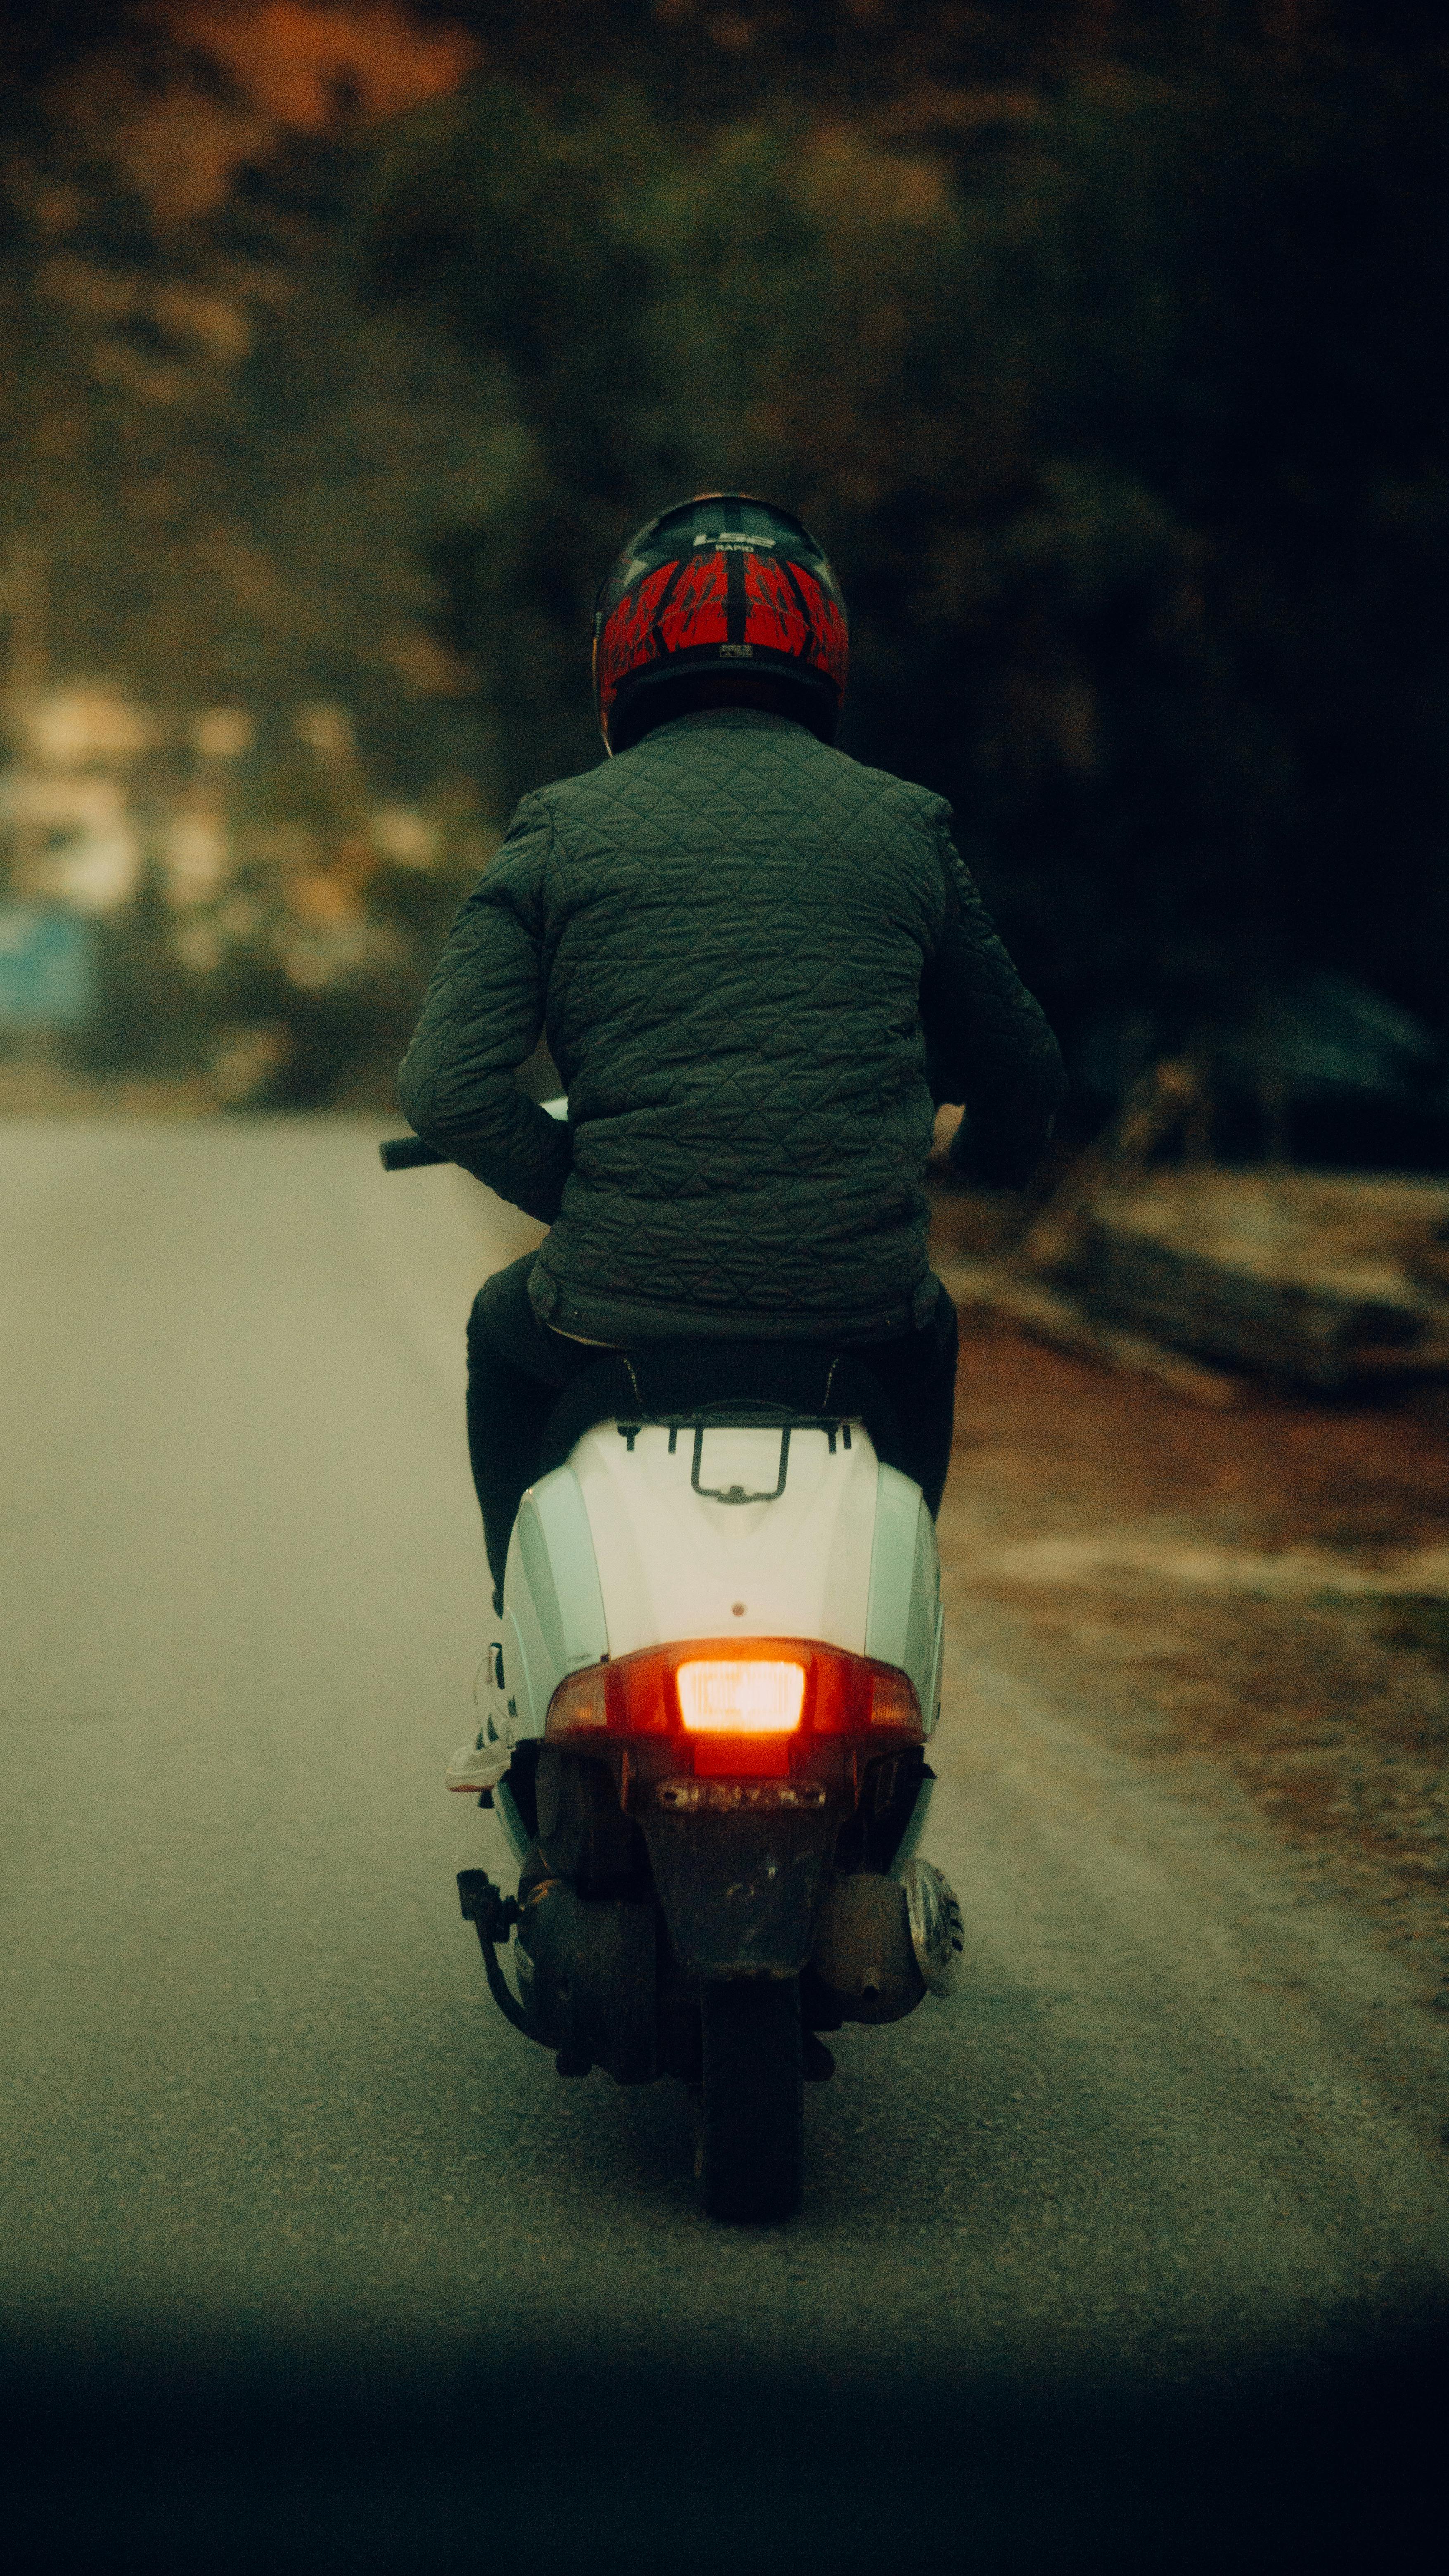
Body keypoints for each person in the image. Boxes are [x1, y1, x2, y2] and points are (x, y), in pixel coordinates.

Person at [397, 493, 1065, 1768]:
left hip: (617, 1308)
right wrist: (964, 1175)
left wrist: (582, 1196)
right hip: (856, 1308)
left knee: (500, 1325)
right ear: (829, 658)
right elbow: (1023, 1074)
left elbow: (445, 1088)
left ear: (621, 660)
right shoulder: (905, 825)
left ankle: (530, 1667)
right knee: (932, 1331)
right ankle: (886, 1688)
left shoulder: (560, 826)